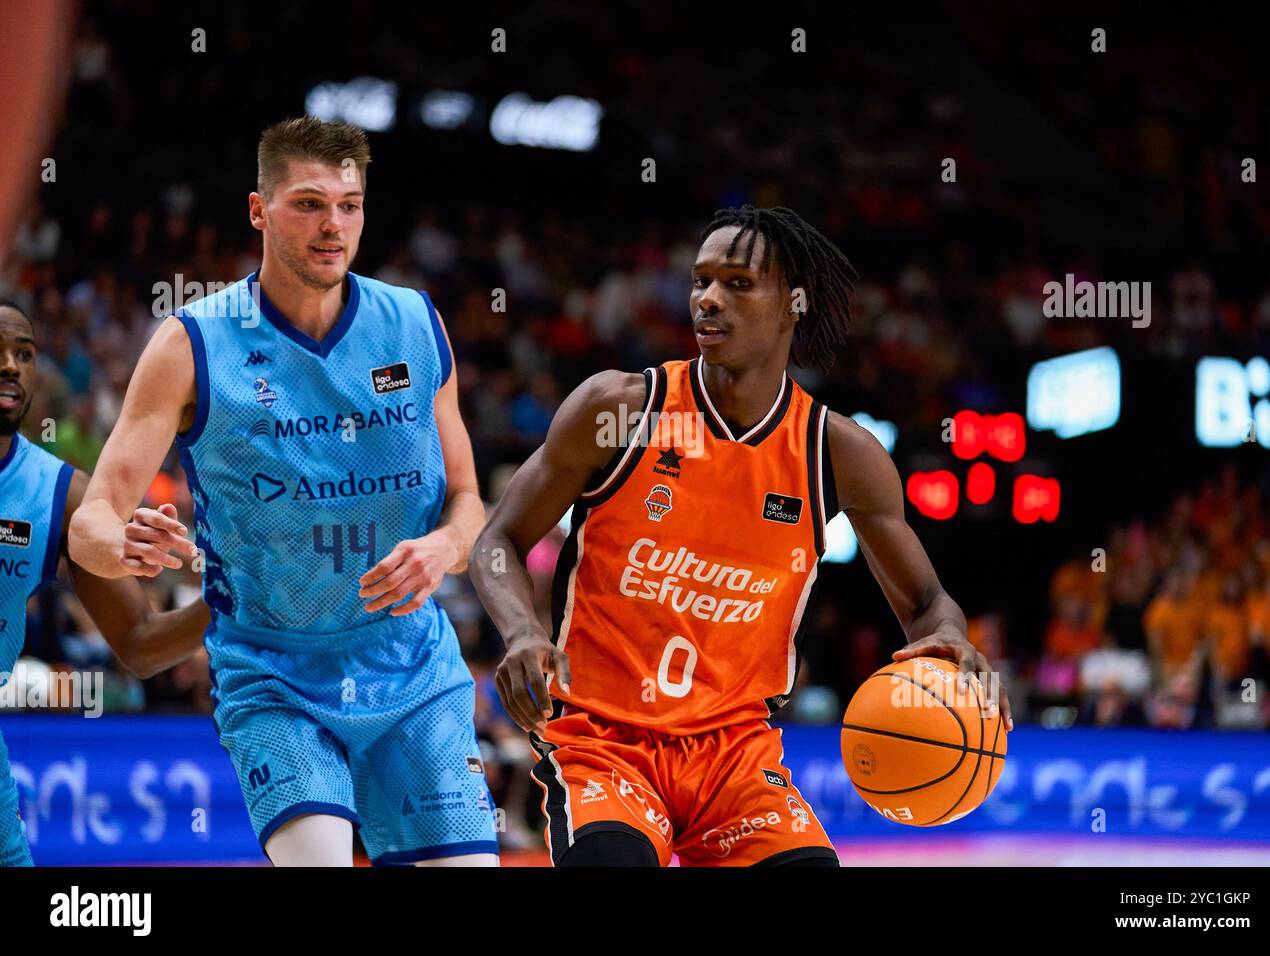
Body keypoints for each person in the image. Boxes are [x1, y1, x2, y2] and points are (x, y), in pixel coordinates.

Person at [471, 206, 1011, 867]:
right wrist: (523, 630)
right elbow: (498, 538)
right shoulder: (618, 409)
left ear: (794, 303)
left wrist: (952, 638)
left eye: (738, 283)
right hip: (600, 744)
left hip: (736, 757)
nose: (708, 299)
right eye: (701, 281)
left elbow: (928, 603)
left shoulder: (838, 454)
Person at [69, 118, 497, 866]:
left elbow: (467, 501)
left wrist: (444, 545)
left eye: (349, 204)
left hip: (410, 663)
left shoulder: (415, 324)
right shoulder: (191, 343)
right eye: (307, 203)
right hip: (274, 669)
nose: (333, 226)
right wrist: (122, 543)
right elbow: (93, 521)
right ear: (258, 210)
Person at [0, 298, 208, 867]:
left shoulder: (58, 492)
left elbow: (140, 643)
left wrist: (233, 594)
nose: (11, 366)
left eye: (24, 353)